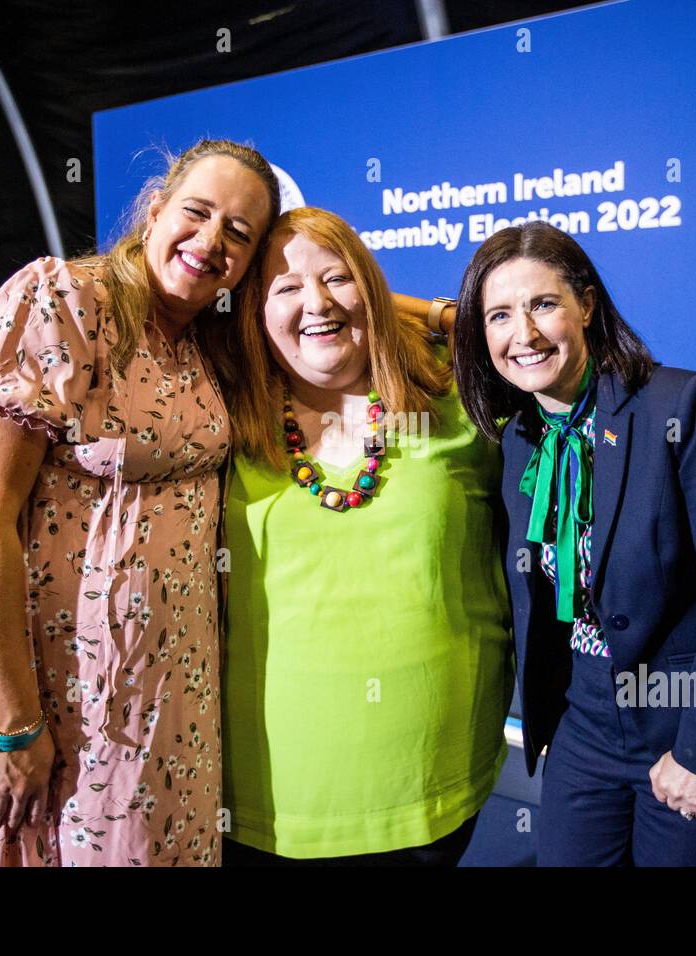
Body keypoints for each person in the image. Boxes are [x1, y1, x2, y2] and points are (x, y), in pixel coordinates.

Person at [0, 138, 279, 866]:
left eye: (238, 233)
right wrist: (11, 724)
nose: (210, 241)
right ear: (154, 211)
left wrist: (455, 316)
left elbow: (336, 283)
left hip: (169, 698)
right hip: (51, 690)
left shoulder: (203, 339)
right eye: (196, 213)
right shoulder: (64, 300)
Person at [448, 220, 696, 866]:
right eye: (499, 315)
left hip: (688, 717)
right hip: (584, 724)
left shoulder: (682, 406)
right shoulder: (517, 442)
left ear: (586, 305)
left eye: (542, 304)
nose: (523, 334)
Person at [215, 207, 513, 865]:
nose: (316, 302)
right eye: (285, 288)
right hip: (266, 800)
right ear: (252, 313)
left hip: (431, 786)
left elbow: (578, 356)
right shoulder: (223, 417)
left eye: (339, 278)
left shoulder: (457, 395)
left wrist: (432, 315)